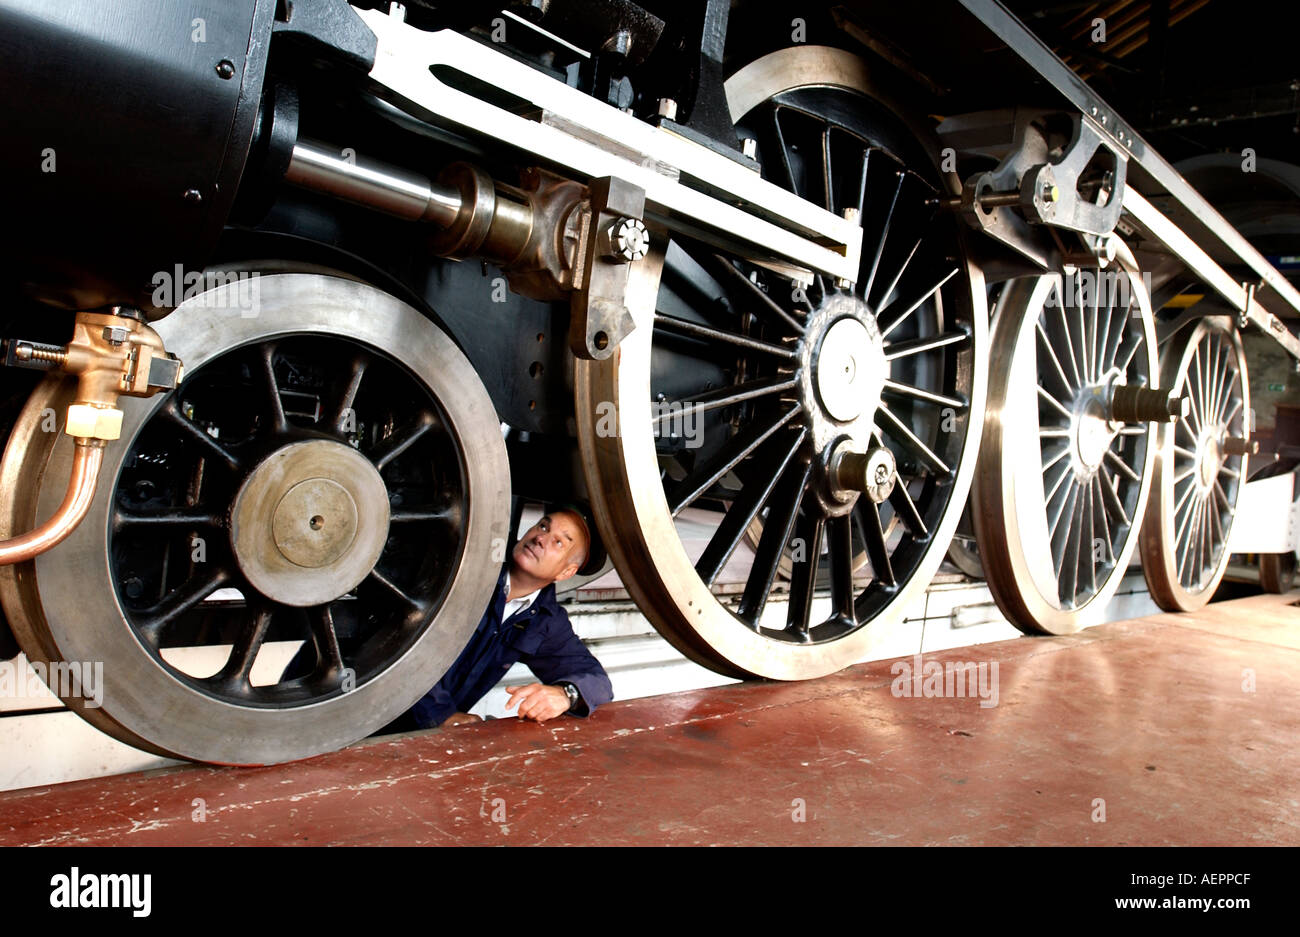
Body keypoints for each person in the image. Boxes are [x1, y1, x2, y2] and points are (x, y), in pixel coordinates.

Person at [389, 505, 613, 731]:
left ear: (566, 572)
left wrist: (566, 694)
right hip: (375, 710)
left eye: (558, 542)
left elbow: (599, 682)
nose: (541, 538)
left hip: (419, 740)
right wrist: (441, 715)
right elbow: (402, 640)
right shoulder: (464, 572)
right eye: (543, 526)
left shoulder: (546, 620)